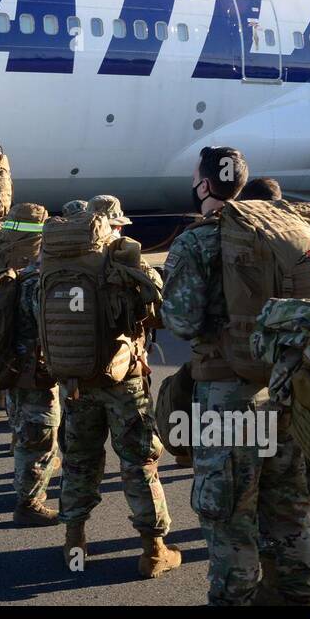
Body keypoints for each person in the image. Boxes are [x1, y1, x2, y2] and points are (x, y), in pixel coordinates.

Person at [161, 146, 310, 605]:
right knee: (289, 510)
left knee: (229, 515)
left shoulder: (198, 239)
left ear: (206, 186)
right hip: (288, 388)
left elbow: (183, 321)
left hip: (229, 397)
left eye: (196, 179)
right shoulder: (283, 227)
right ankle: (300, 595)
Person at [55, 195, 182, 579]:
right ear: (110, 226)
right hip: (123, 382)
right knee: (139, 461)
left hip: (76, 383)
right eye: (120, 225)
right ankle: (154, 549)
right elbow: (161, 310)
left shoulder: (52, 266)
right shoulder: (125, 265)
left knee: (79, 461)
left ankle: (74, 538)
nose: (125, 230)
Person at [10, 248, 61, 526]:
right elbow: (49, 326)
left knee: (25, 432)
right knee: (39, 437)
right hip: (34, 373)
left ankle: (26, 491)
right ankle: (28, 504)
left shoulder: (20, 277)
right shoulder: (37, 286)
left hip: (17, 368)